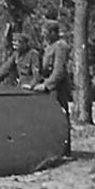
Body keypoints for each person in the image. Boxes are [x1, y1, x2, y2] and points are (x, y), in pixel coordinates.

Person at [34, 20, 72, 156]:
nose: (43, 35)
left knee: (60, 117)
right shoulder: (48, 46)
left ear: (53, 32)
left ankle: (64, 149)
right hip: (48, 86)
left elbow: (59, 71)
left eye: (46, 32)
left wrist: (46, 85)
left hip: (57, 88)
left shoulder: (60, 46)